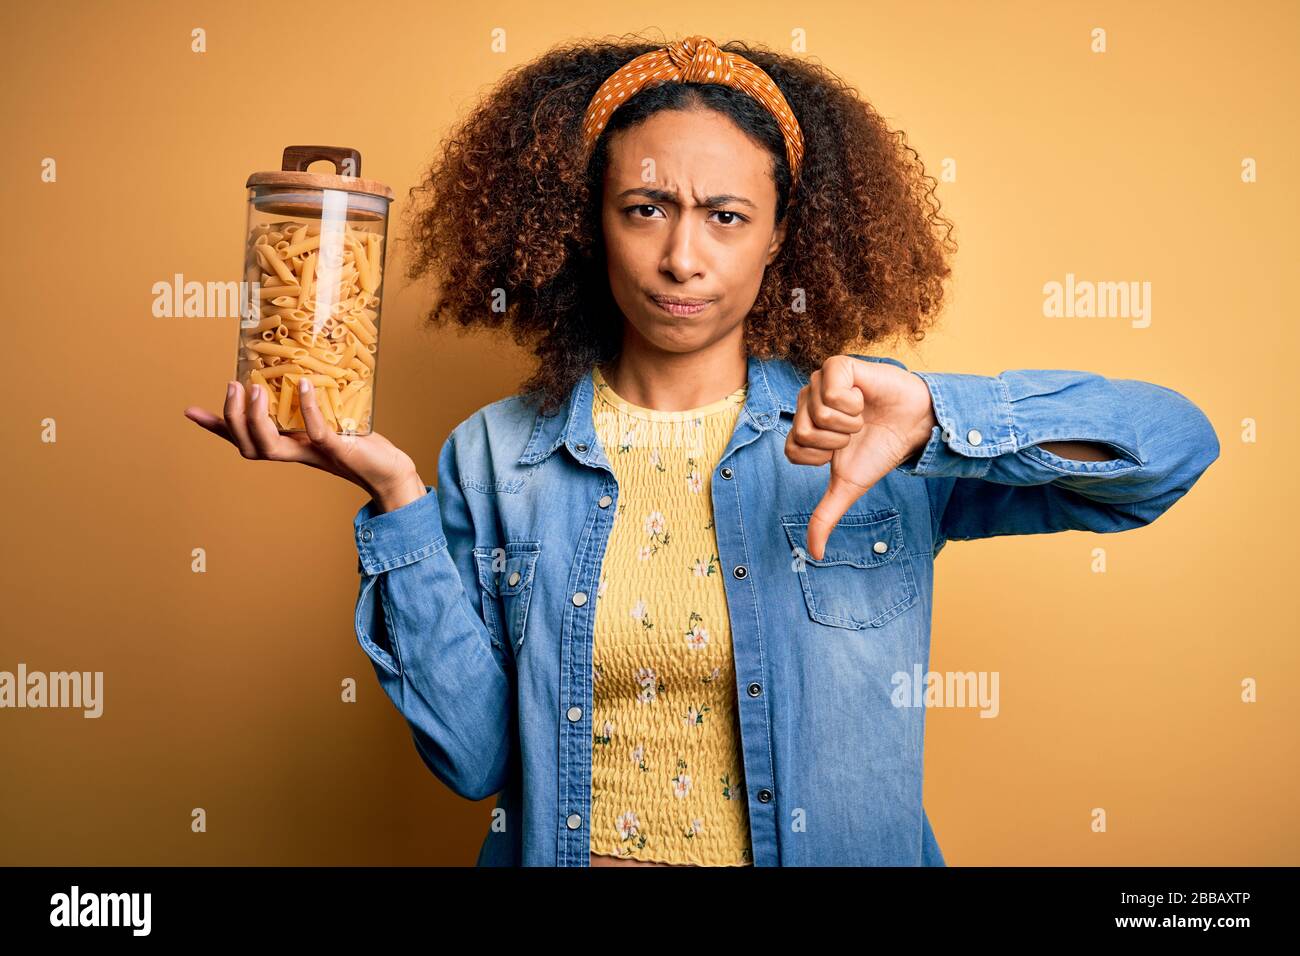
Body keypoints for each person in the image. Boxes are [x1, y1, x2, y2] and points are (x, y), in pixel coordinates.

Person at [185, 35, 1220, 867]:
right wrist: (399, 504)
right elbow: (471, 760)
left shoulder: (867, 430)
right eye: (646, 209)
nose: (683, 255)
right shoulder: (493, 457)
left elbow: (1169, 449)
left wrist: (938, 415)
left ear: (780, 235)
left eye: (727, 216)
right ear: (588, 224)